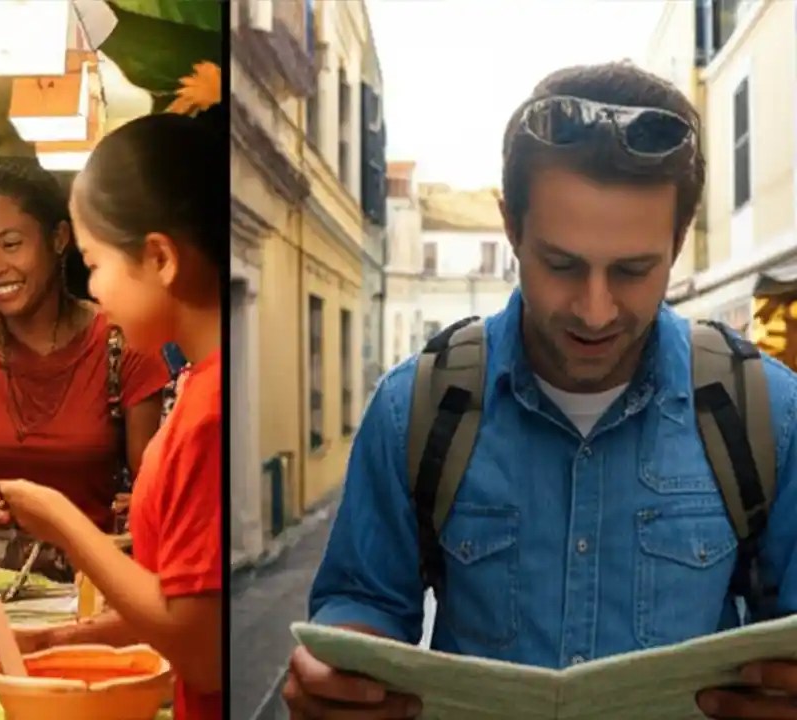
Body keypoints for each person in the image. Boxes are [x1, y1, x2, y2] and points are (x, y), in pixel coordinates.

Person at [283, 62, 797, 720]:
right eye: (560, 265)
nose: (595, 310)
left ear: (678, 240)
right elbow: (363, 600)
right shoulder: (413, 407)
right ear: (511, 227)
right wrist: (342, 675)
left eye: (634, 271)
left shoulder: (768, 412)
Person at [0, 113, 224, 719]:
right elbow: (177, 610)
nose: (93, 290)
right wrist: (44, 641)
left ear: (159, 258)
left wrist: (62, 522)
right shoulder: (196, 390)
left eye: (95, 264)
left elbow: (202, 653)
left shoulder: (210, 414)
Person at [0, 155, 168, 582]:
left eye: (11, 244)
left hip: (93, 581)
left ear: (59, 238)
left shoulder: (122, 346)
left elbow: (153, 497)